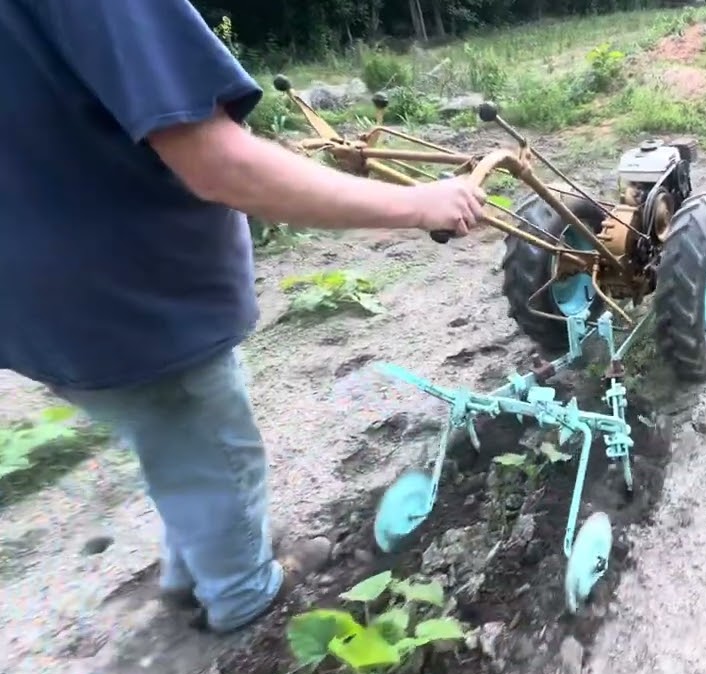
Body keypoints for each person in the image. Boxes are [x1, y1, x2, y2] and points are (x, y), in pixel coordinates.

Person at [0, 0, 488, 634]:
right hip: (133, 303)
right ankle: (245, 596)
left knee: (171, 444)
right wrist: (418, 204)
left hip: (44, 305)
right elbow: (219, 162)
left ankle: (190, 575)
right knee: (216, 448)